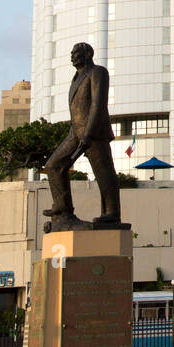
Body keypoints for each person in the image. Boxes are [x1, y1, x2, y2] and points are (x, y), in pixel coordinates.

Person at [42, 42, 120, 229]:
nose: (73, 55)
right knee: (53, 165)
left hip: (94, 132)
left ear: (88, 55)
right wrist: (76, 134)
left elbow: (98, 105)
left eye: (76, 53)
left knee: (104, 172)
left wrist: (89, 133)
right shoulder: (75, 78)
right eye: (72, 52)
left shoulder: (98, 72)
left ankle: (112, 213)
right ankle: (62, 210)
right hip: (75, 133)